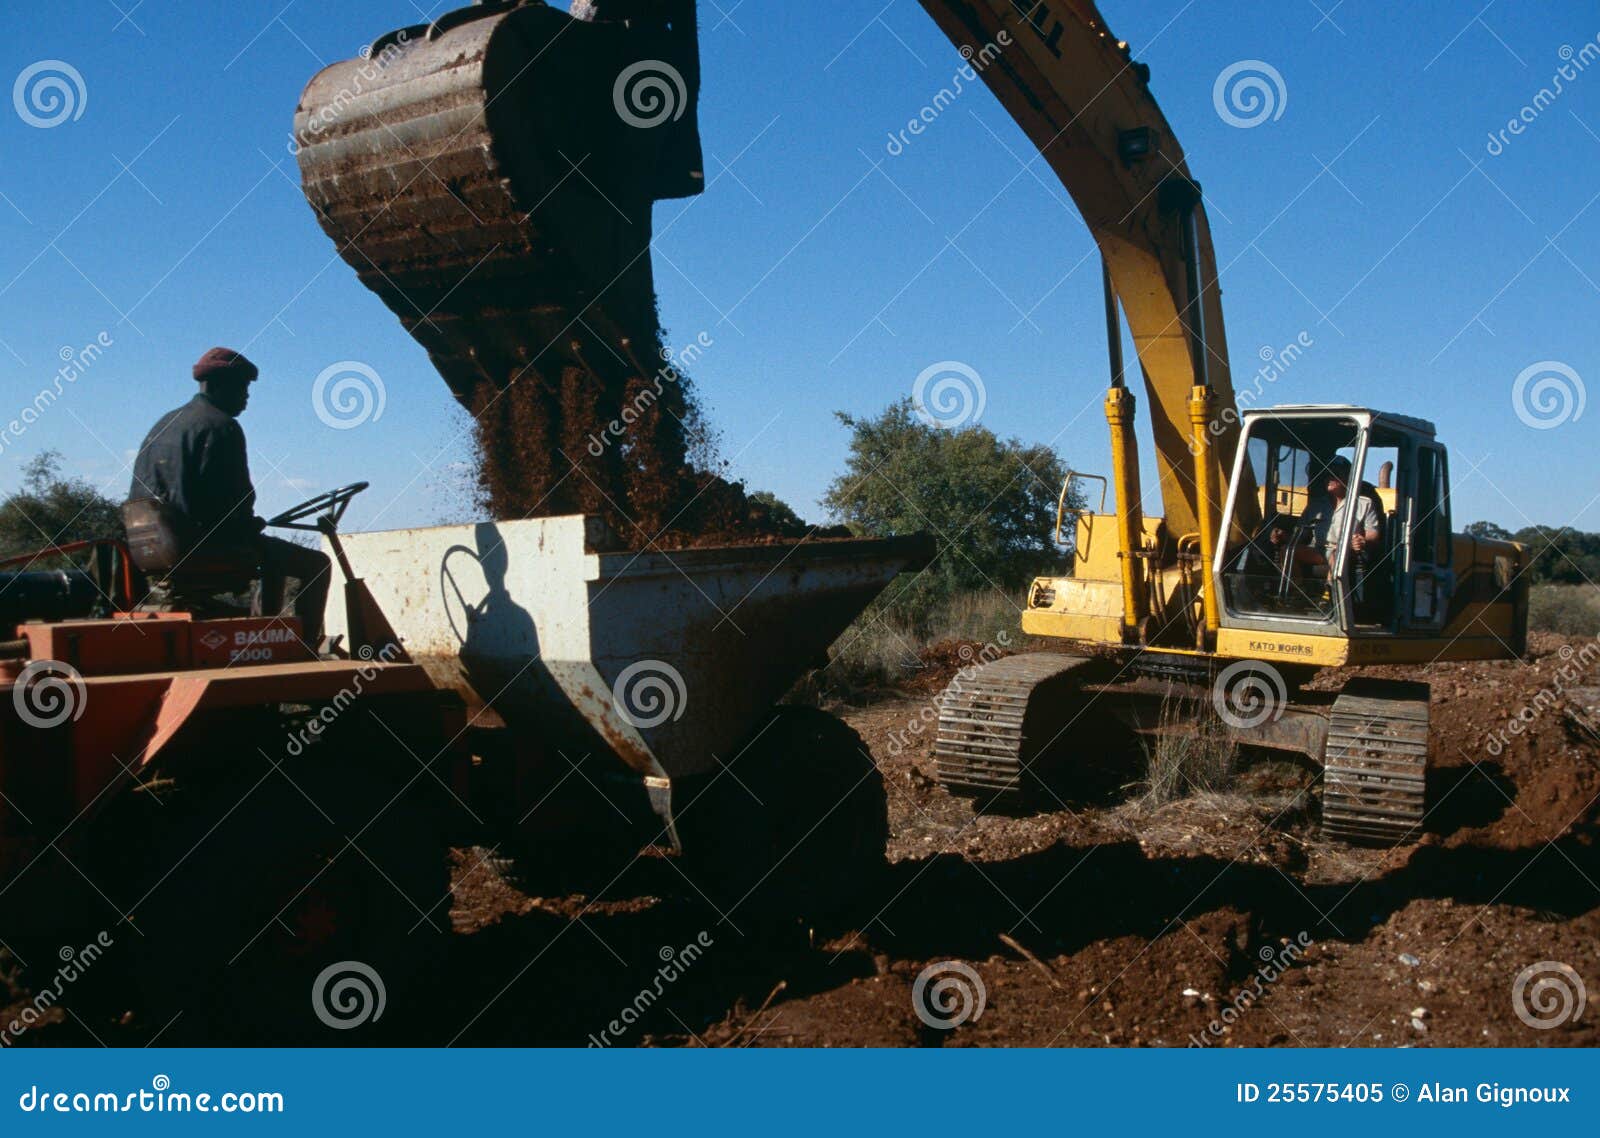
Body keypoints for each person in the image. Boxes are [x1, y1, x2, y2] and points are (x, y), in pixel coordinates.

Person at [129, 347, 332, 649]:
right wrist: (249, 526)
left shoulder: (164, 425)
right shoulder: (221, 427)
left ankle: (266, 632)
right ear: (217, 385)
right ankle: (299, 649)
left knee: (266, 550)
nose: (246, 397)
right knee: (316, 564)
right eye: (242, 388)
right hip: (202, 546)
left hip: (155, 550)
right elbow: (232, 502)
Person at [1270, 455, 1382, 577]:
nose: (1328, 478)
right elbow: (1300, 535)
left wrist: (1362, 541)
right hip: (1319, 551)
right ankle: (1294, 592)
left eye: (1334, 474)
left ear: (1347, 477)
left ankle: (1330, 593)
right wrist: (1283, 536)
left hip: (1349, 552)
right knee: (1287, 551)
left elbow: (1373, 533)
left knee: (1337, 555)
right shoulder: (1315, 506)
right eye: (1326, 474)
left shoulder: (1364, 503)